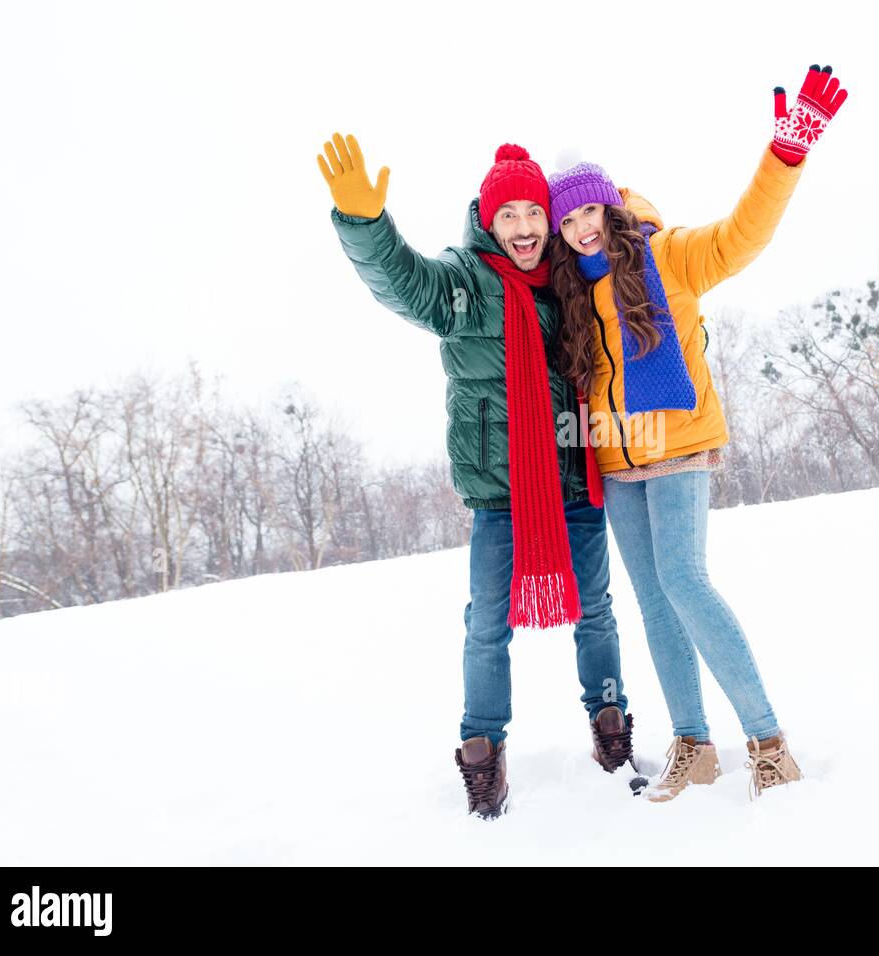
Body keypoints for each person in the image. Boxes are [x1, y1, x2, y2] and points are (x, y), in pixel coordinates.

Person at [544, 65, 849, 801]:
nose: (583, 227)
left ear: (611, 206)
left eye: (590, 211)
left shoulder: (668, 254)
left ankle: (769, 740)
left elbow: (745, 235)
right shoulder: (573, 296)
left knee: (685, 581)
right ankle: (694, 745)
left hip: (679, 449)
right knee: (653, 603)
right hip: (617, 464)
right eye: (568, 220)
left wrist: (784, 156)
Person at [317, 133, 636, 820]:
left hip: (575, 478)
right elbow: (401, 279)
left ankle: (610, 724)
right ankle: (482, 751)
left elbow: (631, 256)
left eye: (533, 213)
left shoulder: (569, 280)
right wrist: (366, 225)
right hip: (501, 490)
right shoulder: (461, 283)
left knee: (597, 613)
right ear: (488, 221)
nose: (523, 228)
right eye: (509, 215)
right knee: (487, 626)